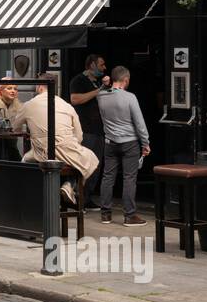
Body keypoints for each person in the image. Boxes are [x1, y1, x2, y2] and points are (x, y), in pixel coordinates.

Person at [19, 74, 101, 208]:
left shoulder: (29, 105)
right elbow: (79, 136)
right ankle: (69, 186)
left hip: (41, 153)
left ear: (39, 87)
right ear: (55, 87)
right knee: (90, 159)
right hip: (66, 151)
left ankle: (30, 196)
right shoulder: (67, 106)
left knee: (24, 160)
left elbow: (15, 125)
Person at [96, 66, 151, 226]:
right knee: (129, 178)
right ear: (126, 80)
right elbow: (139, 123)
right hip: (130, 143)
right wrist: (145, 143)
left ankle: (105, 214)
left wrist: (105, 85)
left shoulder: (101, 96)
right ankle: (130, 215)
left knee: (108, 177)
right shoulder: (130, 97)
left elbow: (103, 91)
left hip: (110, 142)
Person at [69, 53, 110, 206]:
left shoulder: (99, 82)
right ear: (92, 65)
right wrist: (98, 91)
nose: (104, 68)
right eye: (101, 65)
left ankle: (87, 198)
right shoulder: (78, 80)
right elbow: (75, 99)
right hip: (85, 130)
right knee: (83, 164)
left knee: (96, 165)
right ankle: (77, 198)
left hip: (100, 130)